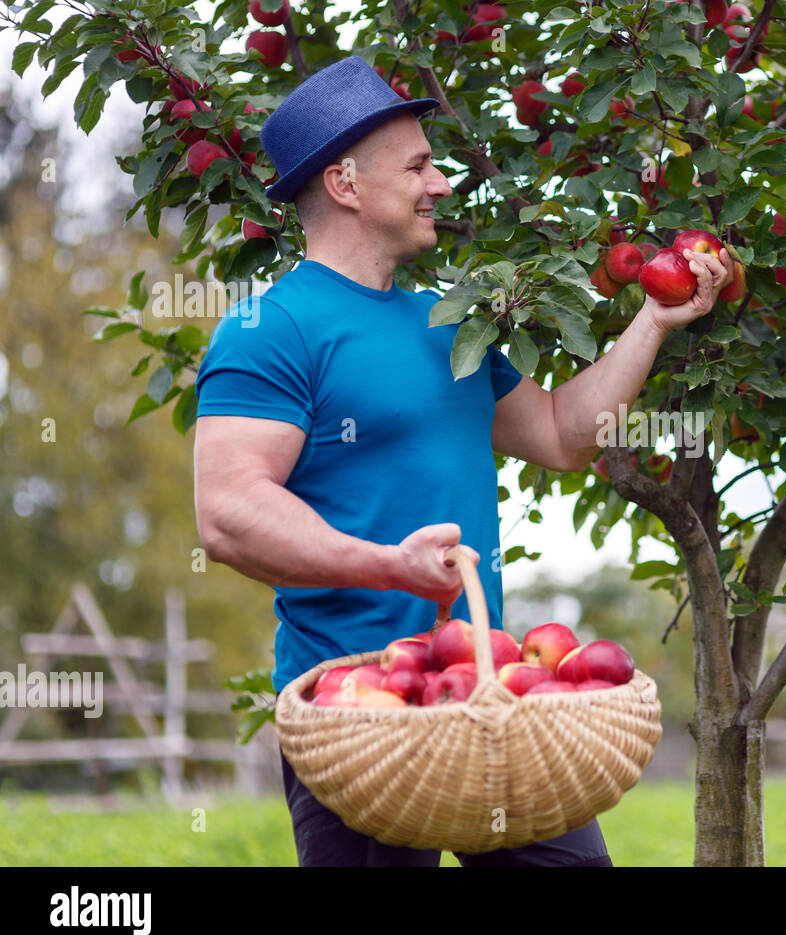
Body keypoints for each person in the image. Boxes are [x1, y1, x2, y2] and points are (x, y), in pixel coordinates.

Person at [192, 55, 730, 866]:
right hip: (356, 709)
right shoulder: (269, 329)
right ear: (344, 184)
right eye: (417, 166)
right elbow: (228, 514)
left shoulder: (450, 323)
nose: (441, 183)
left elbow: (560, 436)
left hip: (491, 688)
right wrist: (387, 566)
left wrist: (654, 320)